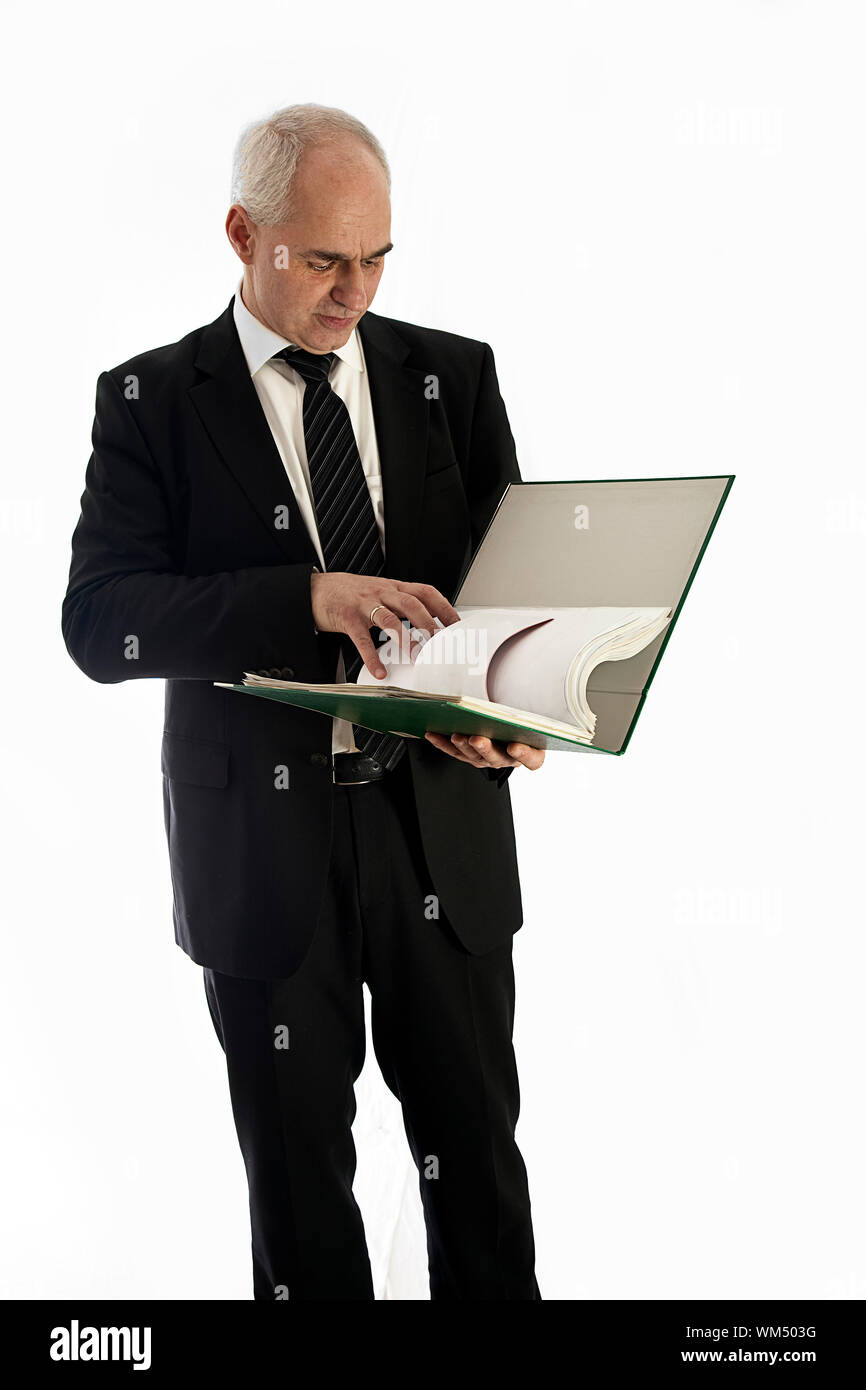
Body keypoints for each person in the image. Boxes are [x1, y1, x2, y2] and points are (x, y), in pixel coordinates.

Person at [62, 103, 544, 1301]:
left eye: (377, 257)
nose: (354, 292)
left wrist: (509, 715)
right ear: (242, 233)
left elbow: (513, 601)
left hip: (438, 831)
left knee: (478, 1177)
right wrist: (306, 596)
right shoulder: (150, 403)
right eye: (323, 259)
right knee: (299, 1195)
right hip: (264, 854)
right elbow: (101, 620)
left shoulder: (452, 376)